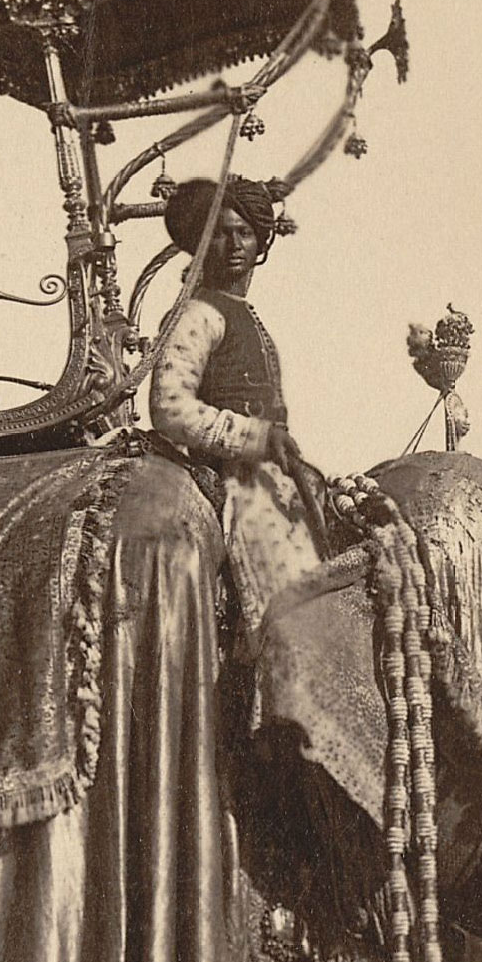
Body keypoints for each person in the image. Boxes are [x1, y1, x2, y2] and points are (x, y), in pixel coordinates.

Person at [143, 172, 329, 631]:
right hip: (231, 486)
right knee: (287, 615)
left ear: (261, 240)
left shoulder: (243, 313)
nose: (234, 245)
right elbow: (169, 406)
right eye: (222, 233)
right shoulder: (197, 313)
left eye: (244, 232)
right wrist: (255, 437)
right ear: (204, 242)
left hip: (273, 481)